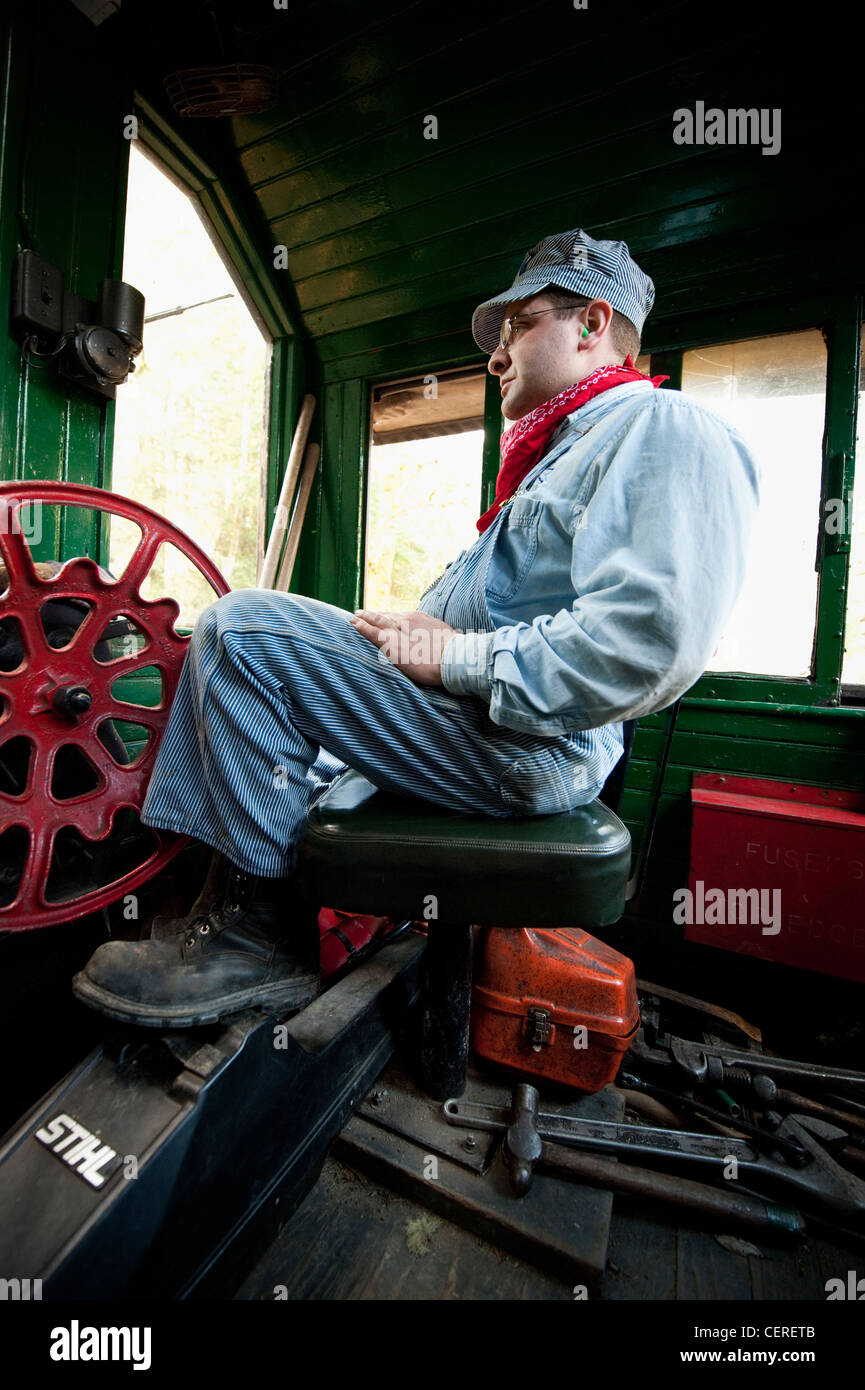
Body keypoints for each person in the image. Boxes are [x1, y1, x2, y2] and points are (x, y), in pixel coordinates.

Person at [72, 228, 759, 1028]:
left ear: (590, 323)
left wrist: (456, 657)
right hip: (492, 725)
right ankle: (229, 908)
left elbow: (645, 647)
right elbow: (501, 615)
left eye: (517, 328)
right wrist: (411, 630)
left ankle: (261, 941)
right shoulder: (554, 459)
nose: (496, 357)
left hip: (533, 745)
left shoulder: (662, 431)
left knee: (241, 632)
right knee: (284, 648)